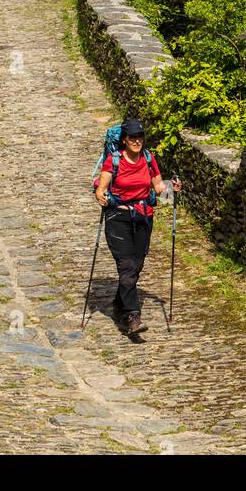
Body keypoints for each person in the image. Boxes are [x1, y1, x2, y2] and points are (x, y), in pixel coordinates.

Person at [95, 118, 181, 336]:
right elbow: (101, 187)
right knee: (127, 266)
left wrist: (172, 186)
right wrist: (101, 196)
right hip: (118, 218)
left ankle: (119, 303)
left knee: (137, 264)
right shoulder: (114, 161)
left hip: (143, 217)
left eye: (139, 137)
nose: (136, 141)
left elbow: (159, 187)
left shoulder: (149, 159)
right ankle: (132, 316)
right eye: (132, 138)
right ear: (124, 140)